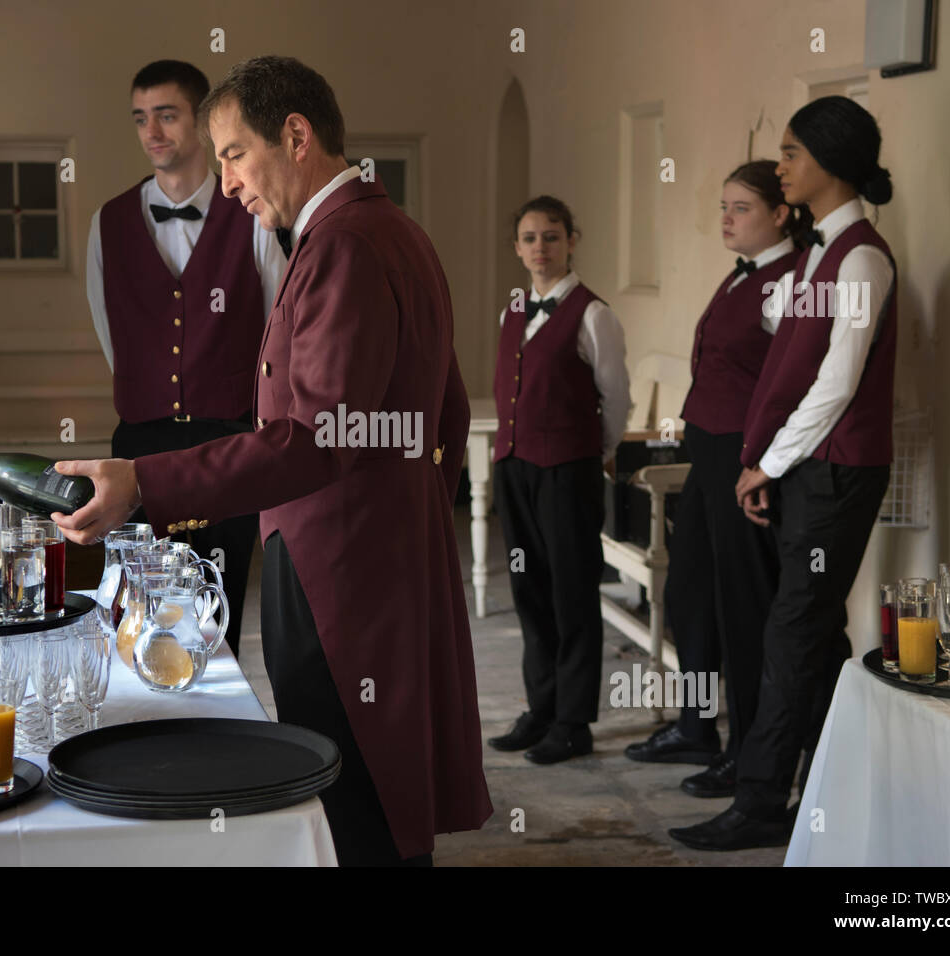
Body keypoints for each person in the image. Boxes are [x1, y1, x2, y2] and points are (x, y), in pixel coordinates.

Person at [56, 55, 492, 866]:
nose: (226, 185)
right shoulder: (389, 230)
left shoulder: (343, 247)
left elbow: (316, 436)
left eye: (231, 154)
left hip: (339, 570)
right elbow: (449, 408)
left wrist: (145, 481)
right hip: (376, 552)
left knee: (354, 801)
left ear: (295, 136)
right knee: (381, 790)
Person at [671, 96, 897, 850]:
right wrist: (762, 461)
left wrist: (764, 461)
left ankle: (762, 800)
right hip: (808, 466)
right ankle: (845, 774)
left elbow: (836, 384)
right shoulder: (822, 254)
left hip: (837, 470)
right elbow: (788, 376)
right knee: (814, 631)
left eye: (792, 153)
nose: (781, 166)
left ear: (830, 162)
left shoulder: (861, 255)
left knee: (791, 631)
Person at [86, 59, 288, 661]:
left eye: (167, 115)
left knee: (216, 611)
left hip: (227, 439)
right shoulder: (109, 221)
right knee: (135, 612)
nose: (152, 131)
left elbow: (279, 324)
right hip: (139, 441)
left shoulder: (251, 212)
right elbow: (109, 331)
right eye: (141, 118)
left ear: (200, 124)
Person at [625, 161, 809, 800]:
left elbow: (792, 383)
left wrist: (760, 461)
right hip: (705, 451)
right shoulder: (744, 276)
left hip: (743, 458)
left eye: (741, 208)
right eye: (724, 206)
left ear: (781, 213)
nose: (726, 218)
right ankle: (695, 725)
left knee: (743, 608)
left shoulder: (791, 281)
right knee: (690, 595)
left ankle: (748, 751)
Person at [486, 196, 631, 764]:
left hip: (569, 471)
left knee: (571, 595)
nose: (540, 248)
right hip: (516, 466)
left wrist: (603, 451)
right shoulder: (513, 311)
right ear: (517, 247)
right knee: (529, 592)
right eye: (529, 238)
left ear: (572, 240)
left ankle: (573, 722)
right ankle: (541, 707)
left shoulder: (594, 314)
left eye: (551, 236)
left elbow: (615, 396)